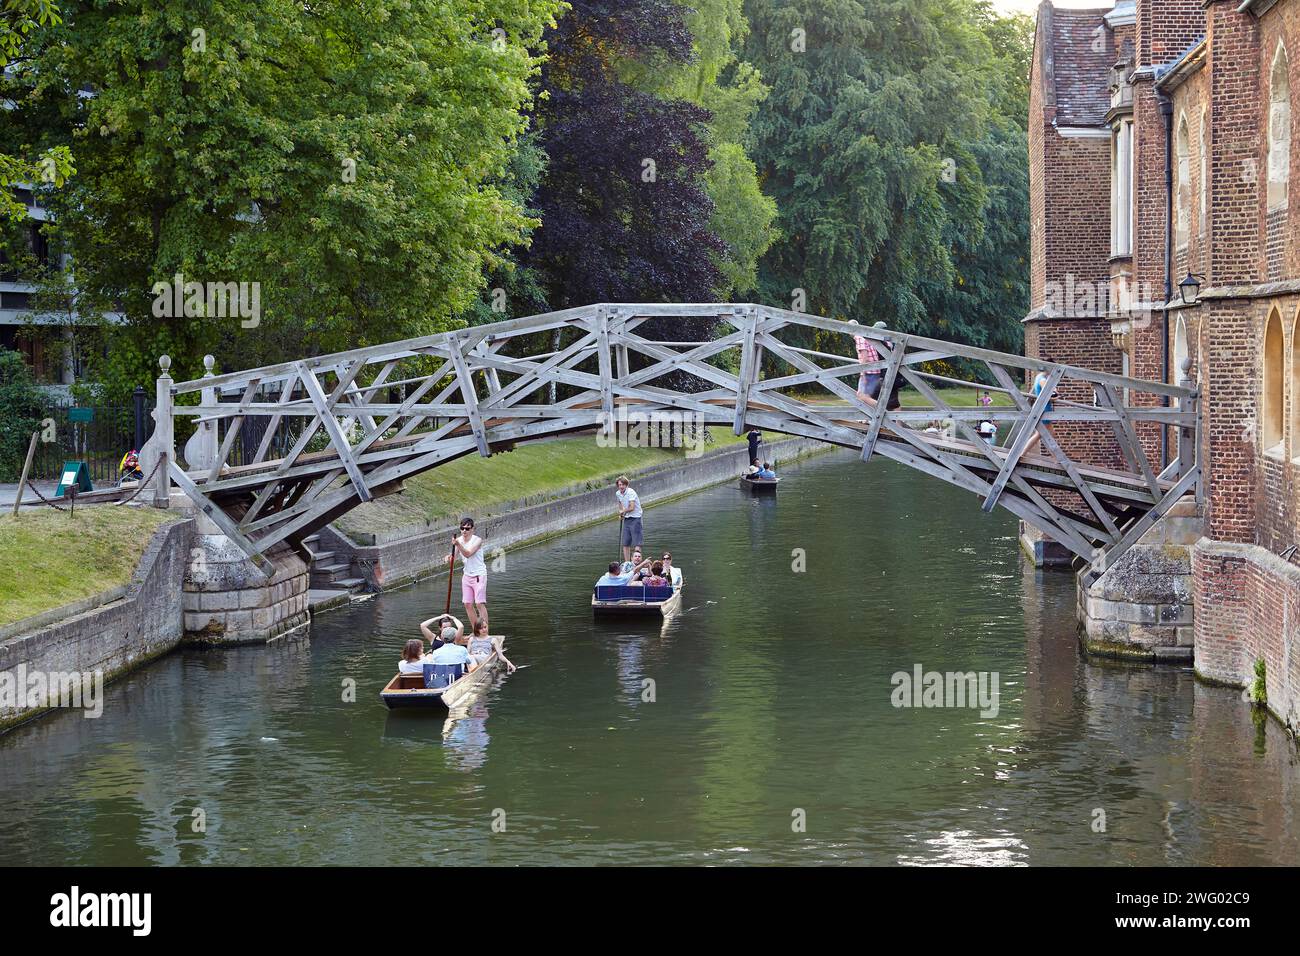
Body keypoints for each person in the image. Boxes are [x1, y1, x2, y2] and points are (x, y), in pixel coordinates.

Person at [450, 517, 488, 633]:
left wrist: (458, 544)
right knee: (467, 604)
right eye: (462, 528)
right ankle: (476, 631)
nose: (464, 531)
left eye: (467, 528)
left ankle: (485, 631)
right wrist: (448, 558)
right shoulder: (459, 540)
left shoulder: (477, 540)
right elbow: (454, 557)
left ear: (472, 529)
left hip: (478, 575)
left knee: (479, 603)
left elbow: (468, 554)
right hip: (466, 576)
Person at [1022, 366, 1056, 456]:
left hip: (1042, 408)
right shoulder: (1042, 380)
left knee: (1050, 434)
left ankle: (1056, 458)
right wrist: (1056, 397)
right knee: (1040, 434)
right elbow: (1048, 394)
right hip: (1045, 408)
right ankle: (1022, 453)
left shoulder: (1038, 376)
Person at [848, 319, 883, 407]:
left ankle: (883, 411)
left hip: (869, 372)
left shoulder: (859, 338)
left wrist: (862, 373)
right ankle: (867, 418)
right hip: (873, 370)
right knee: (864, 395)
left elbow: (864, 357)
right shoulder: (864, 336)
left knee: (862, 396)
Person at [615, 476, 643, 563]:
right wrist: (621, 513)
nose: (621, 487)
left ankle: (636, 562)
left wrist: (623, 511)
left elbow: (632, 507)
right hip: (627, 518)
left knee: (637, 543)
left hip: (636, 518)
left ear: (626, 485)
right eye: (619, 485)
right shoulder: (618, 493)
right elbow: (620, 503)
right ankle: (627, 563)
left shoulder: (631, 492)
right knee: (625, 542)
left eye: (623, 484)